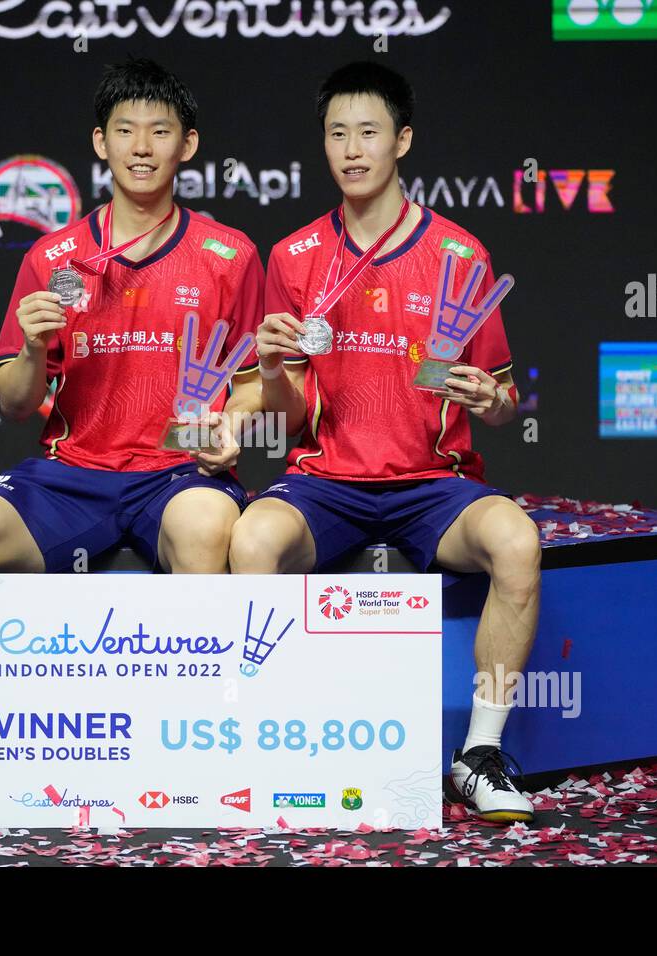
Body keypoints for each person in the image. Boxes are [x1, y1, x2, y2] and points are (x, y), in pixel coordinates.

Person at [230, 61, 541, 823]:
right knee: (250, 542)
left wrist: (489, 397)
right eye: (337, 133)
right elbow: (290, 412)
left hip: (433, 484)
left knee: (518, 542)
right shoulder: (296, 257)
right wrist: (271, 367)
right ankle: (290, 732)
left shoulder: (458, 256)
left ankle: (478, 755)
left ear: (402, 140)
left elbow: (504, 402)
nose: (352, 148)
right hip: (326, 480)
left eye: (368, 131)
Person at [0, 58, 264, 575]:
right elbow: (16, 403)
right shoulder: (52, 257)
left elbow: (251, 383)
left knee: (205, 526)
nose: (141, 148)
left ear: (188, 145)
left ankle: (195, 658)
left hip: (182, 471)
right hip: (73, 476)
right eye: (125, 131)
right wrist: (32, 350)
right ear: (100, 142)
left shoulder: (229, 254)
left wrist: (233, 424)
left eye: (160, 132)